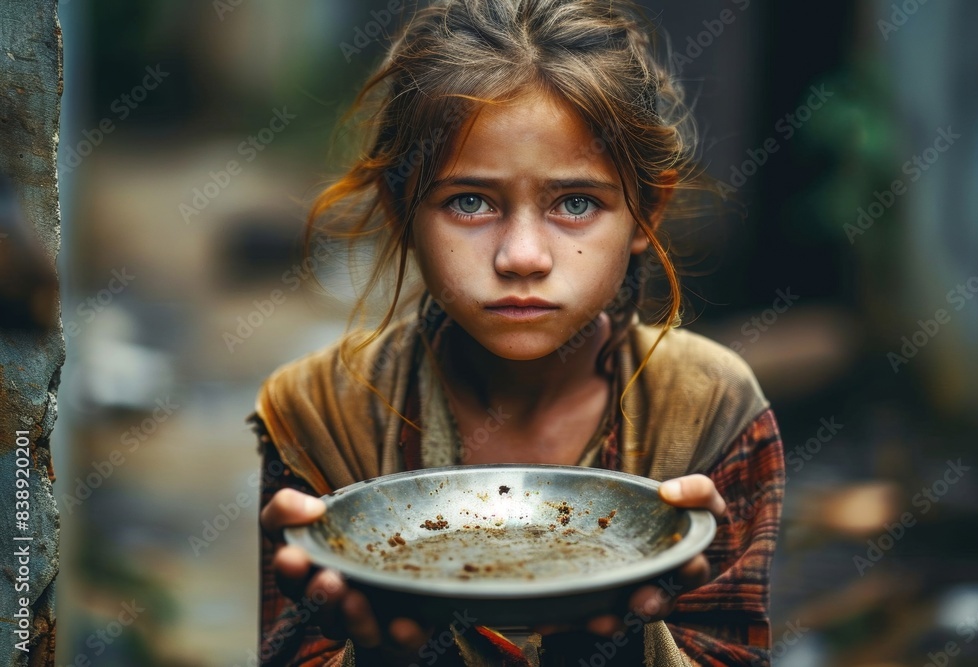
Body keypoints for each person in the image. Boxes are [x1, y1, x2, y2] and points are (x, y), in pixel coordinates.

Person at [251, 0, 785, 665]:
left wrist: (629, 642)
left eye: (576, 203)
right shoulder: (324, 411)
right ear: (400, 207)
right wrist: (385, 652)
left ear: (648, 213)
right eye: (470, 201)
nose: (522, 256)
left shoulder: (711, 410)